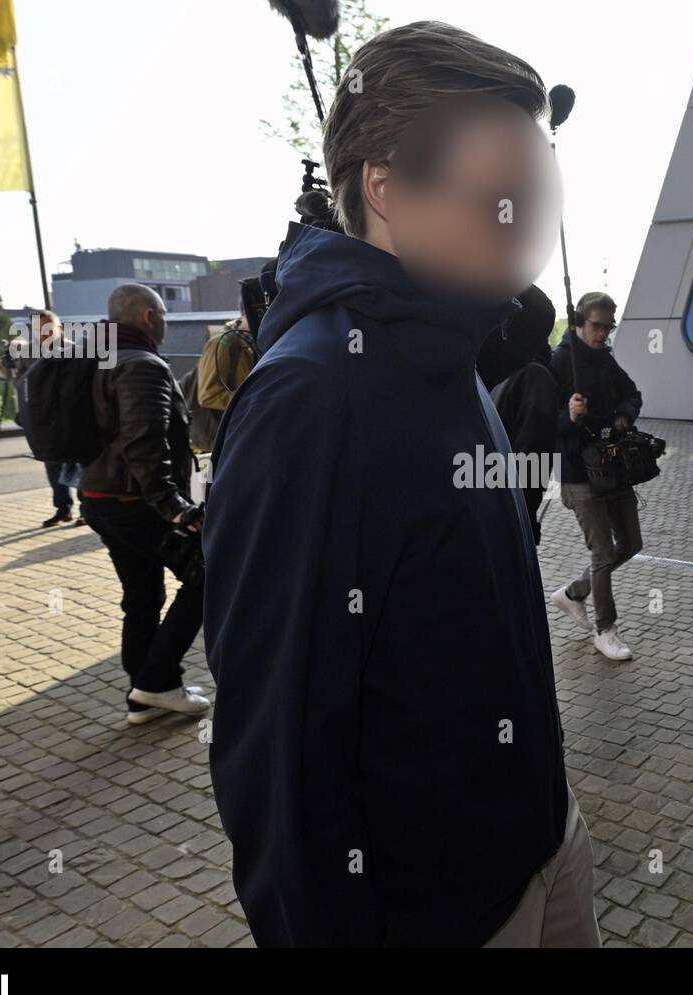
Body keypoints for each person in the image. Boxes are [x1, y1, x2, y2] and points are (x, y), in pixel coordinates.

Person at [203, 22, 598, 948]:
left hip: (547, 843)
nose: (531, 230)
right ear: (385, 188)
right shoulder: (311, 400)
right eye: (502, 200)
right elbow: (280, 759)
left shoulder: (443, 337)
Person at [78, 284, 210, 726]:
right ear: (150, 318)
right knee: (207, 575)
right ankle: (157, 681)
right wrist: (176, 508)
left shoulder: (99, 360)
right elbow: (144, 443)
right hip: (137, 504)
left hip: (100, 499)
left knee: (141, 595)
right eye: (165, 315)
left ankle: (143, 696)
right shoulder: (142, 366)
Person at [549, 291, 644, 661]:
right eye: (596, 325)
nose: (602, 333)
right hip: (577, 472)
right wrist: (567, 417)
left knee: (631, 543)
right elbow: (541, 421)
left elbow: (632, 393)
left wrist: (624, 414)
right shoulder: (559, 361)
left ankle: (573, 593)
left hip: (613, 467)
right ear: (578, 321)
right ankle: (606, 631)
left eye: (608, 327)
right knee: (602, 552)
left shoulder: (605, 360)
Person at [478, 283, 561, 544]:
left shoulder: (533, 378)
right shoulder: (483, 373)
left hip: (500, 523)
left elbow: (532, 460)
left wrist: (520, 521)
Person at [13, 309, 85, 527]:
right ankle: (63, 509)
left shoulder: (77, 351)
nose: (43, 334)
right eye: (38, 330)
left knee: (81, 464)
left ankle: (86, 509)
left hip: (73, 419)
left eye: (47, 328)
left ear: (59, 328)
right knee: (52, 466)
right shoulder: (29, 354)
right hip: (45, 421)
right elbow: (19, 383)